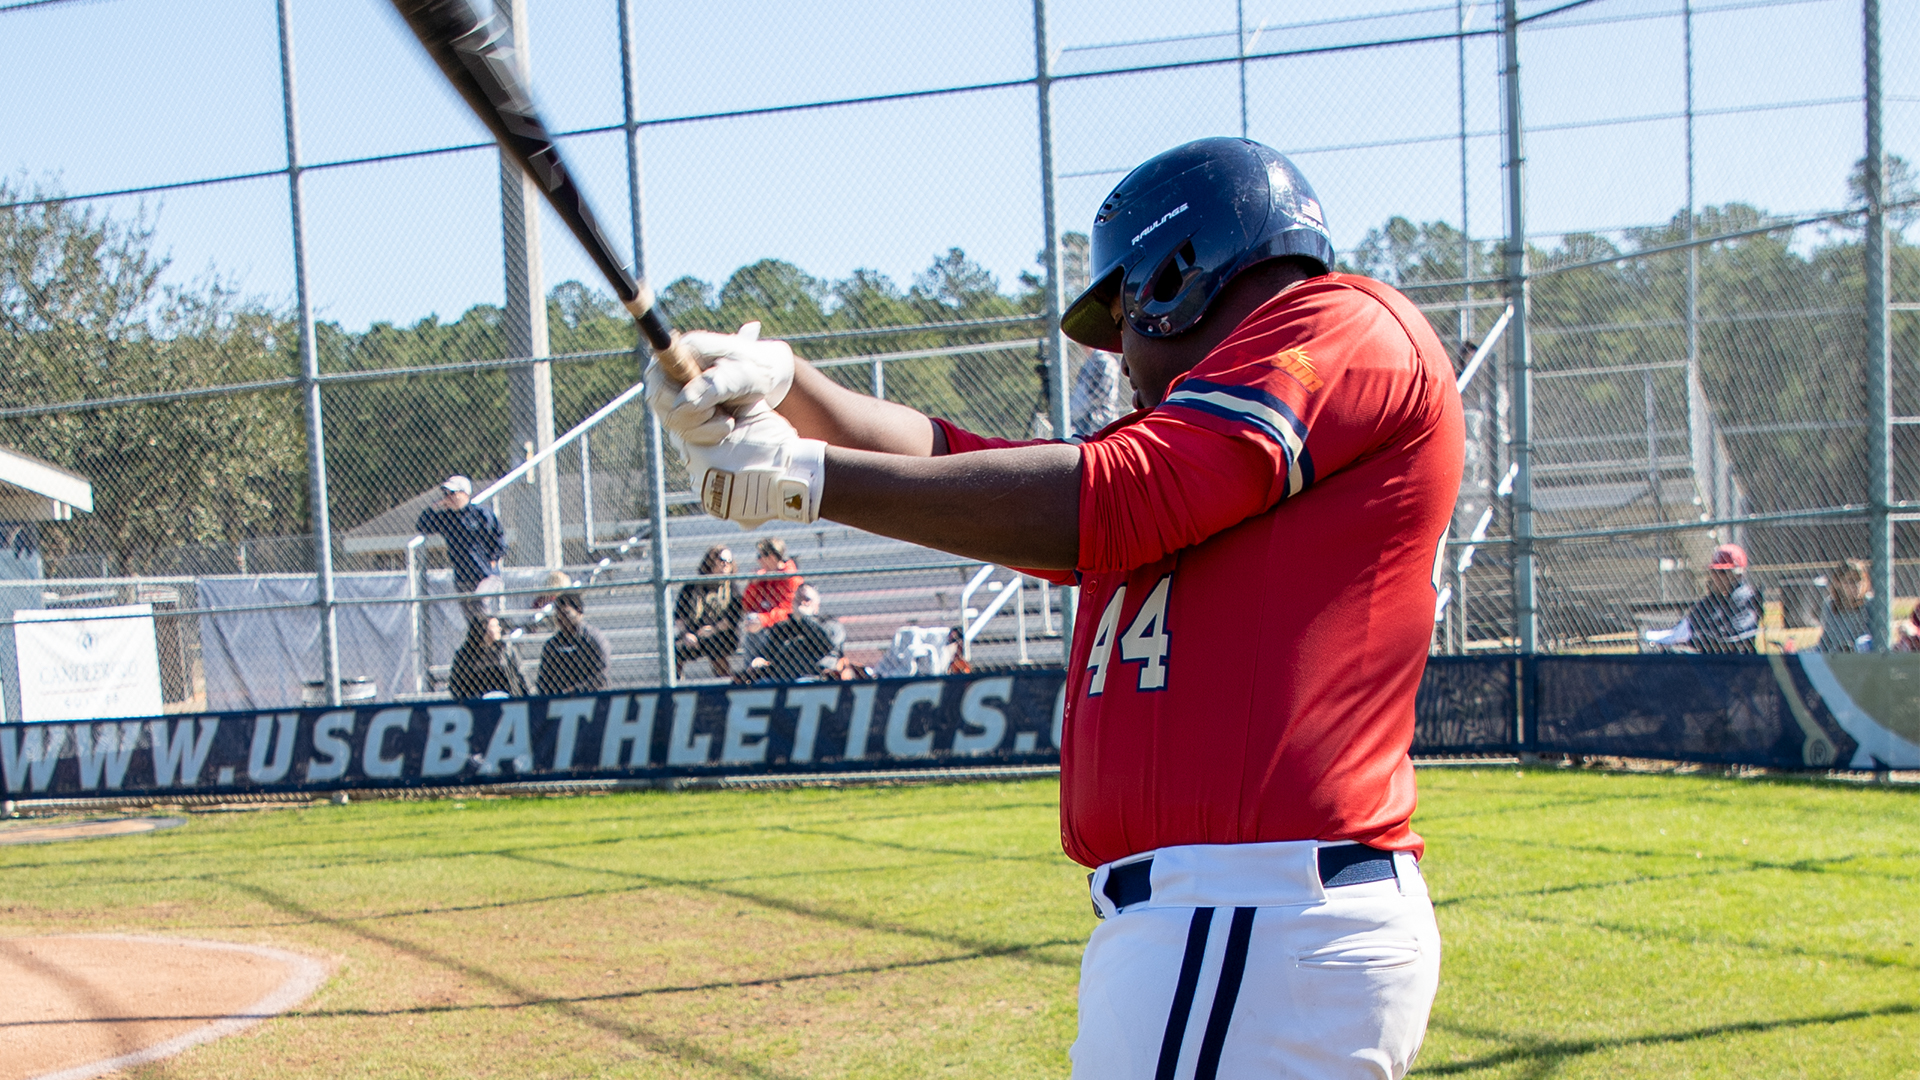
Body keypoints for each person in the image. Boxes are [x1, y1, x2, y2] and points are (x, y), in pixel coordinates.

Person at [650, 137, 1459, 1078]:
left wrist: (808, 480)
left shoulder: (1342, 320)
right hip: (1222, 919)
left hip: (1253, 909)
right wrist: (798, 392)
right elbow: (973, 467)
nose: (1120, 356)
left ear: (1177, 272)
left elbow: (1108, 496)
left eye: (1125, 316)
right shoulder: (1200, 446)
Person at [1647, 543, 1764, 654]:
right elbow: (1685, 629)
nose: (1715, 577)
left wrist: (1698, 637)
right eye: (1713, 571)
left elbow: (1733, 639)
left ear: (1737, 575)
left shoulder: (1746, 599)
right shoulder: (1712, 600)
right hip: (1707, 660)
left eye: (1722, 572)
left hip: (1736, 665)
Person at [415, 475, 507, 614]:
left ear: (465, 494)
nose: (448, 497)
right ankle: (481, 633)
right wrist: (436, 506)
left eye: (452, 493)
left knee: (479, 603)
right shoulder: (446, 518)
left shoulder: (481, 513)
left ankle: (493, 629)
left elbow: (498, 537)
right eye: (446, 494)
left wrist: (494, 559)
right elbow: (422, 525)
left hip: (486, 574)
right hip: (462, 577)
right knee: (472, 617)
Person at [742, 584, 846, 683]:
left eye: (806, 599)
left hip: (816, 677)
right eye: (798, 599)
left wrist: (804, 618)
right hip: (783, 678)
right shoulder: (785, 627)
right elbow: (769, 652)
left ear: (817, 604)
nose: (802, 603)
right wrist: (760, 660)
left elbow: (827, 644)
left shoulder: (830, 624)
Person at [675, 544, 743, 678]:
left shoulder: (731, 587)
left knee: (715, 645)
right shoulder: (692, 586)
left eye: (729, 562)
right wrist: (686, 634)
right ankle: (674, 685)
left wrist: (713, 629)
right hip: (694, 635)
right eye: (722, 560)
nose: (726, 565)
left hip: (721, 634)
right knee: (673, 648)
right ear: (711, 561)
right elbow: (678, 615)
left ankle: (724, 684)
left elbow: (733, 618)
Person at [535, 591, 609, 696]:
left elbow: (600, 678)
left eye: (565, 614)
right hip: (557, 701)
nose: (560, 618)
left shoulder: (593, 639)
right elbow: (543, 680)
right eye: (558, 614)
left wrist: (574, 692)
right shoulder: (552, 644)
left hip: (589, 698)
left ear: (579, 612)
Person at [448, 615, 529, 699]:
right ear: (483, 629)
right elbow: (456, 684)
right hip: (477, 702)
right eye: (494, 626)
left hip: (508, 698)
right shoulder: (465, 655)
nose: (499, 629)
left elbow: (519, 677)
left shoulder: (505, 651)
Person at [740, 537, 801, 630]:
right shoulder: (762, 576)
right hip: (761, 623)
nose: (758, 560)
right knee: (749, 620)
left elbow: (788, 610)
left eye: (760, 556)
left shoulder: (790, 578)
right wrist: (753, 584)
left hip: (784, 627)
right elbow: (747, 606)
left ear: (771, 557)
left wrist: (764, 620)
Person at [1817, 558, 1874, 652]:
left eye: (1859, 581)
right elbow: (1826, 639)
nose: (1856, 586)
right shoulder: (1830, 605)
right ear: (1838, 583)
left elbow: (1873, 638)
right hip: (1836, 656)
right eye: (1850, 581)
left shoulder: (1869, 604)